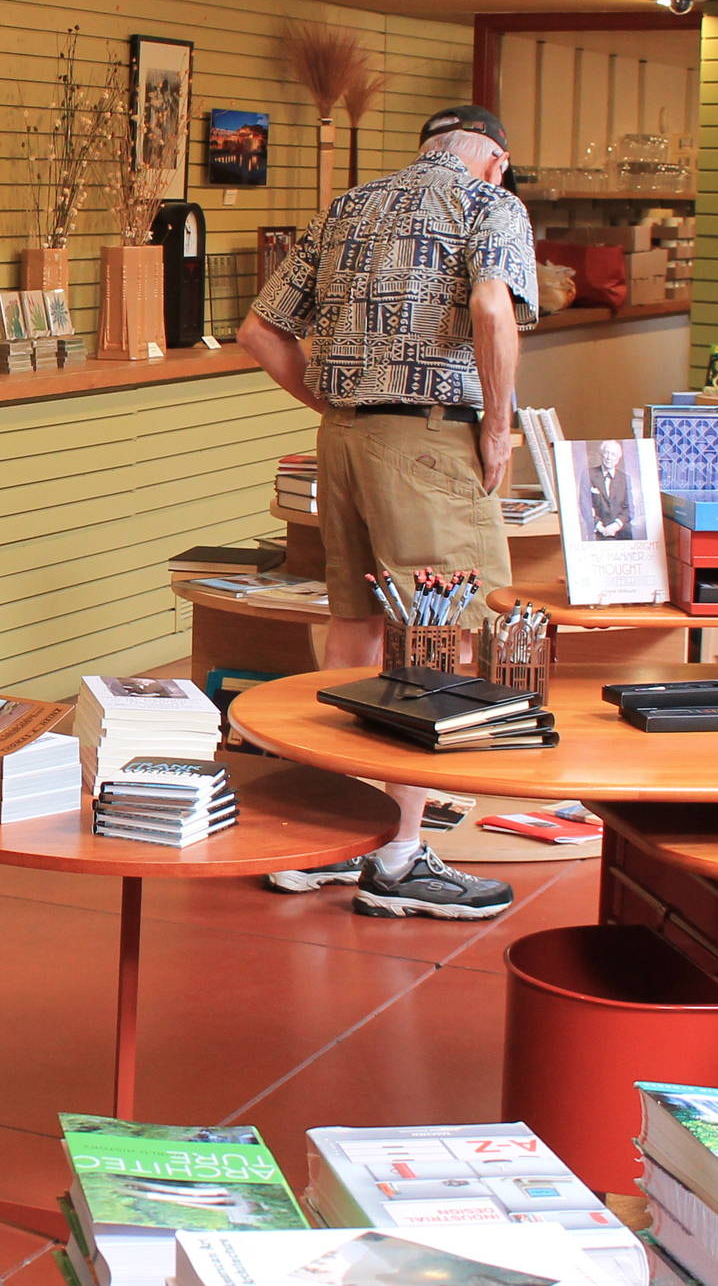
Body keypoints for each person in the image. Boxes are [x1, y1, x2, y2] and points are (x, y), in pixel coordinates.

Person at [236, 103, 538, 922]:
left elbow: (259, 332)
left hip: (343, 439)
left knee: (355, 628)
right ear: (494, 161)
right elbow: (490, 309)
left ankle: (336, 838)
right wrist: (501, 429)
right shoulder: (489, 205)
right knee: (446, 637)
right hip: (432, 440)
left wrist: (336, 404)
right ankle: (402, 856)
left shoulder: (349, 205)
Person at [583, 440, 637, 540]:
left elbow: (629, 509)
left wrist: (615, 526)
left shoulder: (625, 478)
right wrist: (600, 527)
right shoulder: (588, 475)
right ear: (601, 454)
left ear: (618, 459)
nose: (609, 457)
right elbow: (584, 505)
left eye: (613, 454)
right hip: (597, 532)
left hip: (621, 533)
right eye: (606, 453)